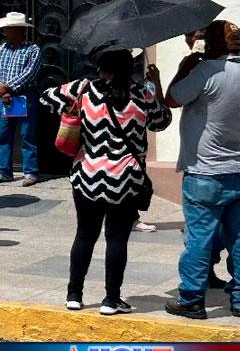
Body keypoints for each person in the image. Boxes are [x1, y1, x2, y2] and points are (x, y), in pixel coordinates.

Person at [40, 49, 170, 315]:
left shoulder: (84, 89)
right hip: (126, 179)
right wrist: (154, 84)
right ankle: (111, 299)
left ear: (101, 67)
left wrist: (71, 104)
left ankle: (74, 295)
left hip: (87, 175)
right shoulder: (142, 94)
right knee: (117, 239)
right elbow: (162, 121)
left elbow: (46, 97)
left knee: (84, 236)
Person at [164, 20, 240, 320]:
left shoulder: (206, 72)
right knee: (238, 238)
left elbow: (171, 99)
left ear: (215, 46)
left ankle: (192, 299)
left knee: (198, 238)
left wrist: (185, 67)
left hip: (205, 172)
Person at [0, 12, 41, 187]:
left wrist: (8, 87)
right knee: (3, 134)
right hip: (5, 97)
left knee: (27, 135)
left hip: (24, 95)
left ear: (18, 30)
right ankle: (4, 172)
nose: (5, 31)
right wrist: (0, 89)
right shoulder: (2, 48)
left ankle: (30, 172)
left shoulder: (32, 49)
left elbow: (29, 73)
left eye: (8, 28)